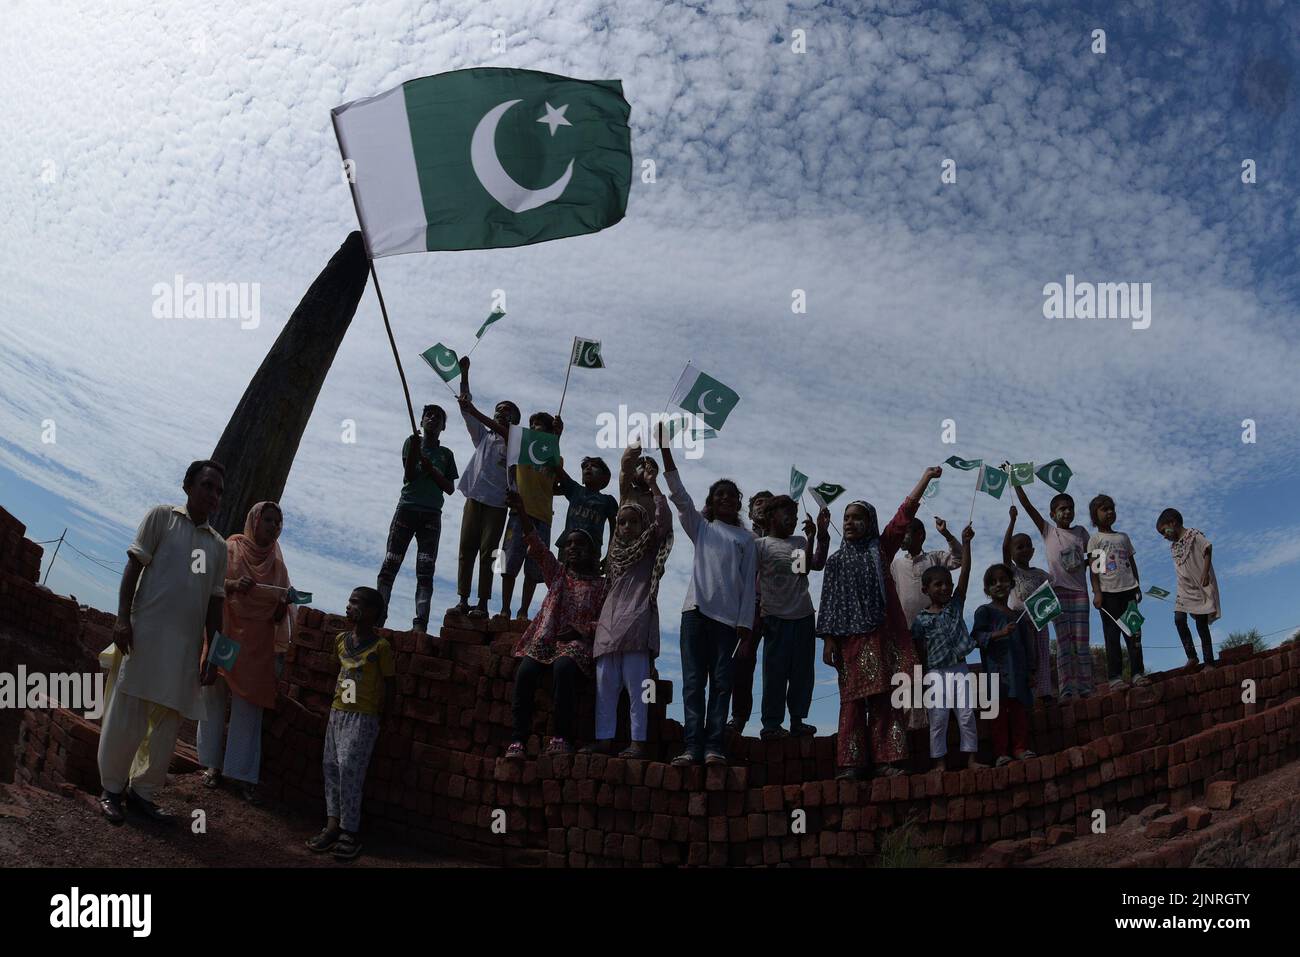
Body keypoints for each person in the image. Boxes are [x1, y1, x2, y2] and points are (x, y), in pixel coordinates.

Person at [97, 460, 228, 824]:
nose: (213, 495)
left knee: (167, 725)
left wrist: (212, 656)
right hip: (144, 637)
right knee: (127, 717)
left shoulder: (218, 547)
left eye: (218, 490)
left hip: (185, 650)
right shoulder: (161, 517)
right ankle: (110, 790)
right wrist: (122, 619)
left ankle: (143, 794)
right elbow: (133, 567)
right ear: (187, 485)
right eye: (207, 485)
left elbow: (215, 606)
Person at [819, 466, 939, 780]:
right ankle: (851, 765)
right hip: (850, 643)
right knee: (853, 703)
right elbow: (828, 603)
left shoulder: (881, 551)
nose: (850, 522)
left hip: (884, 637)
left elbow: (903, 517)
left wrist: (924, 478)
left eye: (857, 517)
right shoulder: (835, 562)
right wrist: (829, 641)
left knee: (887, 700)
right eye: (846, 517)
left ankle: (889, 761)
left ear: (870, 523)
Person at [660, 427, 756, 767]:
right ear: (711, 502)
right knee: (693, 684)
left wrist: (745, 625)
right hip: (695, 614)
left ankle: (715, 745)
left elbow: (749, 586)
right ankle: (691, 747)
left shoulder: (746, 540)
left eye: (731, 495)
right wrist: (665, 449)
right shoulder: (701, 527)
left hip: (728, 622)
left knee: (721, 684)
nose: (726, 499)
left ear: (738, 503)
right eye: (719, 495)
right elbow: (678, 493)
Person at [198, 501, 291, 803]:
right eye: (268, 520)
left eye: (278, 522)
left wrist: (281, 606)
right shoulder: (231, 548)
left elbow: (280, 615)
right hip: (227, 635)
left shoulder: (278, 563)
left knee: (248, 707)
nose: (273, 526)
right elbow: (211, 584)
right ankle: (211, 765)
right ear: (254, 520)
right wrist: (235, 585)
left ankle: (240, 774)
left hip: (256, 643)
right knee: (215, 696)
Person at [504, 491, 608, 758]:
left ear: (593, 552)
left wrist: (581, 631)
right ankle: (518, 740)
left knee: (563, 669)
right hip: (547, 640)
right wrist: (522, 511)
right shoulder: (558, 575)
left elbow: (607, 622)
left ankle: (561, 737)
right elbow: (536, 546)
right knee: (526, 671)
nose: (573, 548)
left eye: (580, 545)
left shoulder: (602, 586)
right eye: (569, 544)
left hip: (577, 645)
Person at [306, 586, 394, 861]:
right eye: (349, 601)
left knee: (350, 771)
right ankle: (332, 825)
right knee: (331, 767)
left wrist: (384, 716)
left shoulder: (381, 648)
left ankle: (349, 831)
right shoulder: (341, 640)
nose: (349, 606)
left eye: (355, 603)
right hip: (338, 712)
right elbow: (339, 672)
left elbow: (391, 685)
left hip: (363, 717)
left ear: (372, 612)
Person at [591, 455, 670, 758]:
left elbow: (663, 521)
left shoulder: (650, 546)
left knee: (638, 689)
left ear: (643, 524)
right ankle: (603, 739)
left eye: (633, 521)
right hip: (608, 625)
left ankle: (638, 742)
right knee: (605, 686)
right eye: (621, 522)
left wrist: (653, 484)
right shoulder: (613, 554)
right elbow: (624, 471)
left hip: (637, 620)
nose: (626, 526)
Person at [754, 495, 829, 739]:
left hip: (803, 616)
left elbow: (808, 567)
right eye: (788, 515)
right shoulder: (761, 545)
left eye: (795, 517)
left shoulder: (798, 541)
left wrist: (816, 537)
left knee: (802, 674)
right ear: (772, 516)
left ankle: (797, 720)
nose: (793, 520)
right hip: (774, 618)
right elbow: (750, 583)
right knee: (774, 673)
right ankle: (772, 724)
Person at [377, 404, 457, 633]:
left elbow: (450, 488)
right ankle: (378, 616)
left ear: (444, 427)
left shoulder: (446, 455)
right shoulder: (411, 443)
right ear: (421, 422)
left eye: (438, 417)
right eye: (428, 415)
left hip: (431, 514)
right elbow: (409, 475)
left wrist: (432, 470)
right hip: (407, 509)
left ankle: (420, 624)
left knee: (425, 569)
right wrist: (414, 451)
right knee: (391, 562)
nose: (432, 419)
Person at [1011, 483, 1093, 700]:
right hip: (1056, 594)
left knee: (1082, 644)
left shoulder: (1081, 532)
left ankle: (1086, 688)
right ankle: (1067, 690)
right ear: (1052, 514)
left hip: (1080, 594)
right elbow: (1028, 506)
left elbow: (1096, 556)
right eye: (1062, 509)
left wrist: (1098, 584)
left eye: (1070, 508)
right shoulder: (1048, 531)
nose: (1067, 512)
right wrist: (1016, 483)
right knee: (1064, 645)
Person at [450, 356, 517, 619]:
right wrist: (464, 375)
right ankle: (463, 599)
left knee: (489, 552)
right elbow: (466, 411)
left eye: (507, 411)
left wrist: (476, 411)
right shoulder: (484, 437)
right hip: (475, 498)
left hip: (498, 504)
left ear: (515, 419)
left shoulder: (515, 441)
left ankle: (483, 604)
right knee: (466, 547)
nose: (501, 412)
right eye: (499, 409)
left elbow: (475, 413)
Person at [912, 523, 982, 770]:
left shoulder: (955, 607)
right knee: (938, 718)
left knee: (966, 715)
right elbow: (919, 652)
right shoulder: (920, 620)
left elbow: (965, 573)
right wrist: (920, 679)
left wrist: (967, 543)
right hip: (934, 674)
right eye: (937, 585)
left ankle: (972, 759)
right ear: (926, 590)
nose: (944, 588)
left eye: (947, 584)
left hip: (959, 669)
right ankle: (939, 763)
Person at [971, 564, 1038, 766]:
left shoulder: (1018, 616)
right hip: (995, 671)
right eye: (993, 582)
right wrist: (999, 634)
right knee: (997, 713)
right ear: (986, 590)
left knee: (1019, 710)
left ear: (1011, 584)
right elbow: (976, 637)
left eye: (1003, 580)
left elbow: (1028, 646)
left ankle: (1019, 748)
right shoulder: (984, 612)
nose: (999, 584)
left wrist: (1032, 671)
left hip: (1018, 671)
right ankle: (1001, 752)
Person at [1087, 494, 1148, 689]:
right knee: (1112, 636)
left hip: (1128, 592)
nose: (1110, 512)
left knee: (1134, 634)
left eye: (1112, 508)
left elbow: (1131, 562)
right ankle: (1115, 677)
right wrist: (1097, 593)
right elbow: (1094, 569)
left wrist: (1137, 585)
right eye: (1105, 509)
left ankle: (1138, 673)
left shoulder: (1123, 537)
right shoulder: (1095, 539)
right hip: (1108, 594)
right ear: (1094, 516)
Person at [728, 490, 772, 735]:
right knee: (742, 661)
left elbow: (805, 568)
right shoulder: (743, 536)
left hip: (779, 608)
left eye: (768, 504)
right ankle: (738, 717)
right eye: (758, 503)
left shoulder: (786, 540)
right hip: (749, 607)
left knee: (775, 667)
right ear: (750, 510)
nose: (762, 507)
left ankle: (772, 722)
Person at [1157, 508, 1220, 667]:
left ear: (1173, 523)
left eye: (1164, 531)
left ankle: (1209, 662)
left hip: (1198, 587)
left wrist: (1205, 573)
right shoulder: (1174, 547)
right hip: (1183, 589)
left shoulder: (1193, 535)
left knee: (1201, 624)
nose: (1164, 536)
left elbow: (1207, 549)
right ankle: (1192, 655)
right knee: (1179, 619)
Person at [1003, 506, 1054, 701]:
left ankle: (1045, 692)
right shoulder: (1012, 572)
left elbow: (1053, 592)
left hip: (1040, 620)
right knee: (1026, 656)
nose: (1024, 550)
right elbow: (1004, 549)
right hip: (1021, 620)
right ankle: (1027, 693)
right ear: (1012, 551)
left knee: (1042, 654)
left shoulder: (1041, 574)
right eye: (1019, 547)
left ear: (1033, 550)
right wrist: (1012, 521)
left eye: (1027, 546)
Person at [890, 515, 962, 628]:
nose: (901, 537)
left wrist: (946, 534)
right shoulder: (896, 565)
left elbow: (959, 559)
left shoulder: (934, 558)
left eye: (905, 533)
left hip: (936, 628)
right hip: (906, 629)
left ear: (920, 535)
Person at [554, 455, 619, 561]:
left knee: (589, 577)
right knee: (562, 576)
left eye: (594, 466)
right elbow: (557, 467)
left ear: (604, 478)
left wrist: (609, 555)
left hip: (591, 552)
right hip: (567, 548)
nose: (588, 468)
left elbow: (614, 530)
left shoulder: (607, 500)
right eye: (585, 467)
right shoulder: (575, 489)